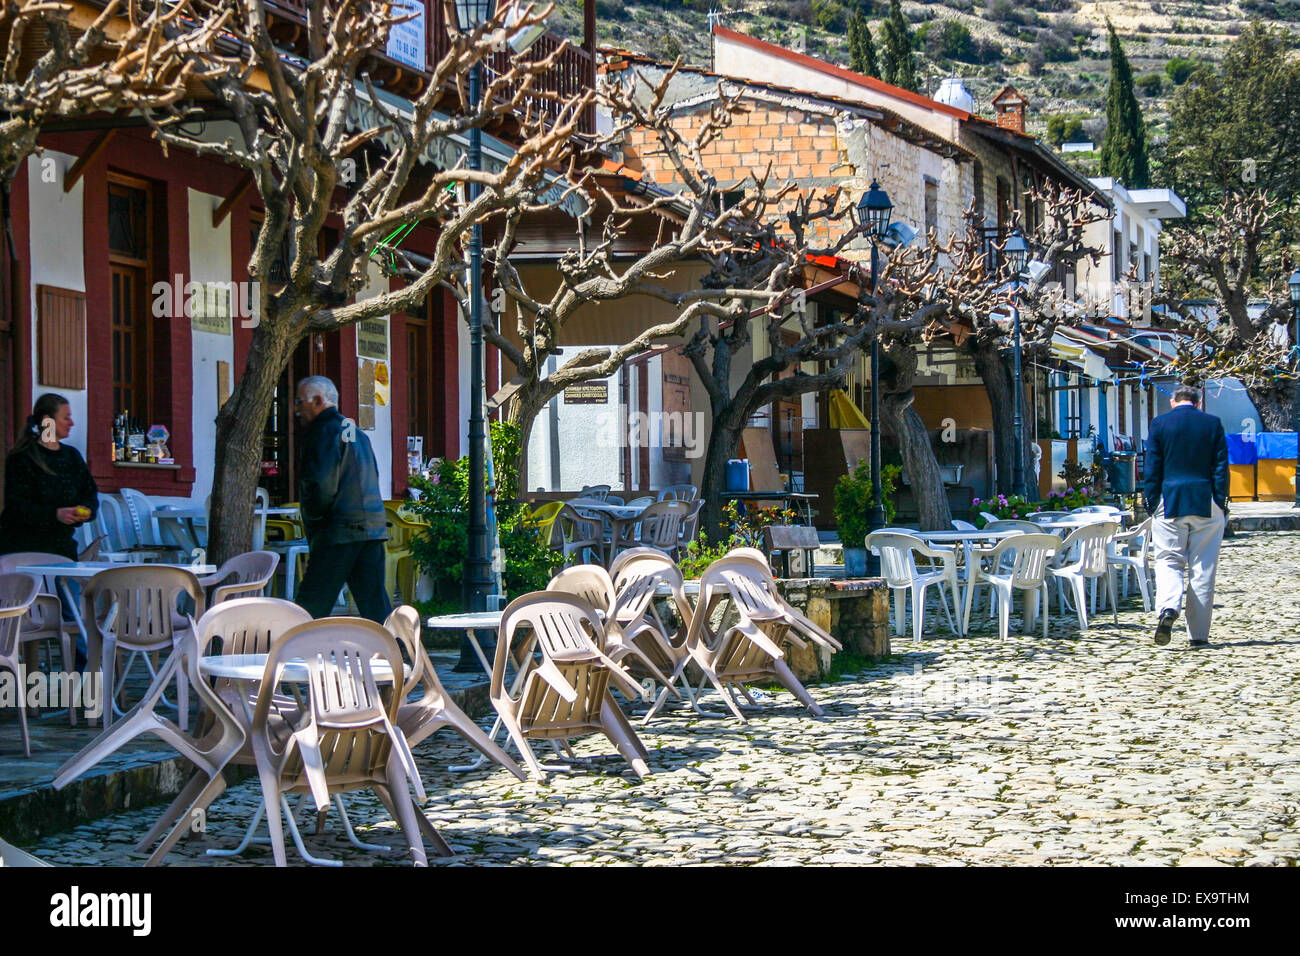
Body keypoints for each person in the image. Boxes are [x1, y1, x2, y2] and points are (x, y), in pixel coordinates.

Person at [292, 375, 391, 622]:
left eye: (299, 402)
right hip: (371, 528)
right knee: (375, 605)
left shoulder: (323, 431)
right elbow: (372, 476)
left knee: (311, 605)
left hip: (339, 531)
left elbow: (321, 484)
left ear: (317, 401)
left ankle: (292, 655)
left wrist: (315, 520)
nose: (296, 410)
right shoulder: (355, 431)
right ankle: (396, 655)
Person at [1143, 383, 1228, 648]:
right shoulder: (1212, 423)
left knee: (1169, 559)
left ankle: (1169, 607)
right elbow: (1221, 465)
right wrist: (1220, 499)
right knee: (1204, 567)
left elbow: (1152, 466)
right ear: (1198, 402)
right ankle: (1199, 635)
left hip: (1170, 499)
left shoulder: (1160, 424)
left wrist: (1150, 499)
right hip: (1205, 499)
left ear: (1173, 401)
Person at [0, 393, 98, 560]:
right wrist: (55, 515)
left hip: (62, 549)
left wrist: (87, 510)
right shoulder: (22, 458)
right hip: (24, 550)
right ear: (48, 420)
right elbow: (15, 508)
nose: (72, 423)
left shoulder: (72, 456)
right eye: (66, 418)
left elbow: (89, 493)